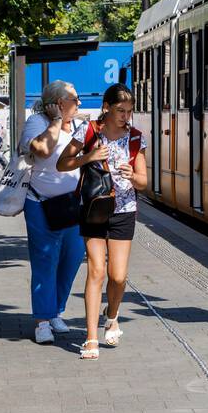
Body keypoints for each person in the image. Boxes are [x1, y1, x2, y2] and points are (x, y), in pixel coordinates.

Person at [57, 83, 147, 360]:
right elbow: (62, 164)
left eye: (129, 111)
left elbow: (144, 183)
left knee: (117, 276)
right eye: (120, 111)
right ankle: (91, 338)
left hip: (124, 210)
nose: (125, 117)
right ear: (106, 108)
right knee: (96, 271)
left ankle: (112, 314)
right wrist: (88, 156)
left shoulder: (135, 138)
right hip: (94, 208)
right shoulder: (88, 131)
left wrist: (133, 176)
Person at [20, 81, 87, 345]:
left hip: (72, 204)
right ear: (59, 103)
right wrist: (57, 121)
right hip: (40, 203)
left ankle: (56, 309)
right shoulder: (37, 122)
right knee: (45, 260)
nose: (79, 103)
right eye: (74, 99)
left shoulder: (81, 124)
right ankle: (42, 321)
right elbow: (43, 150)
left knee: (71, 258)